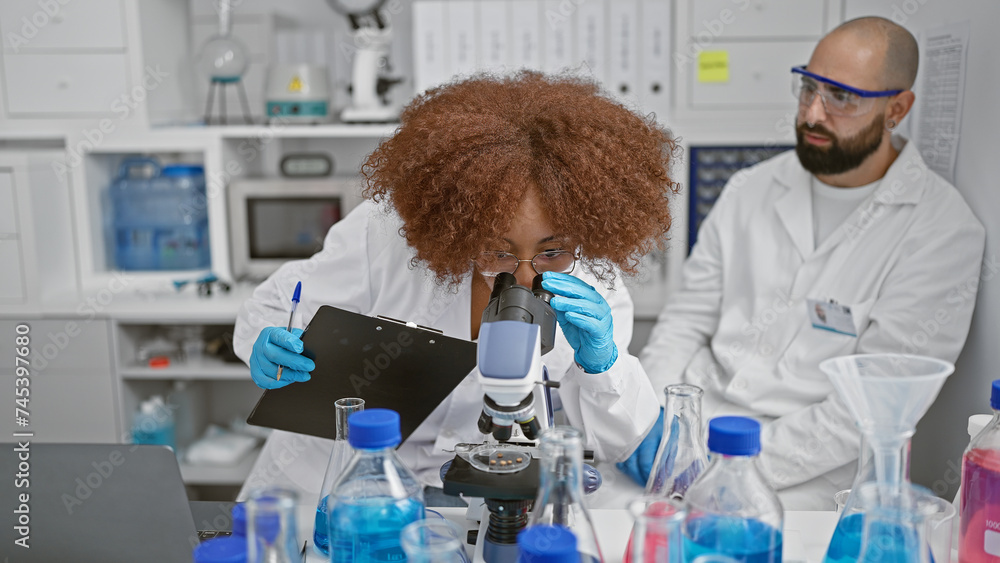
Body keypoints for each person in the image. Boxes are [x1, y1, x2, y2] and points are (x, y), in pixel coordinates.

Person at [233, 71, 678, 506]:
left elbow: (620, 440)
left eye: (552, 251)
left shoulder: (594, 281)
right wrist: (268, 343)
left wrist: (604, 367)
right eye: (497, 252)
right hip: (347, 475)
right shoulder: (387, 236)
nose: (525, 277)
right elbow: (274, 305)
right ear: (460, 231)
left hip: (484, 485)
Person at [623, 16, 986, 509]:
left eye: (842, 98)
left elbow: (870, 409)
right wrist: (655, 423)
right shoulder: (749, 189)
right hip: (687, 432)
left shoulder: (941, 232)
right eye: (808, 88)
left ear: (897, 108)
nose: (813, 113)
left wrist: (730, 468)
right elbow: (684, 322)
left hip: (801, 478)